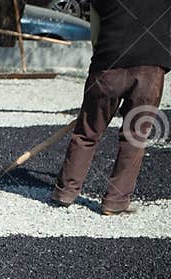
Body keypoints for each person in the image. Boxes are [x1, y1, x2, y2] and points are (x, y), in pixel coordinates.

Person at [51, 0, 170, 215]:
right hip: (150, 70)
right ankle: (116, 201)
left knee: (87, 133)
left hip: (108, 66)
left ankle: (65, 191)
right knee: (135, 137)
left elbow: (95, 35)